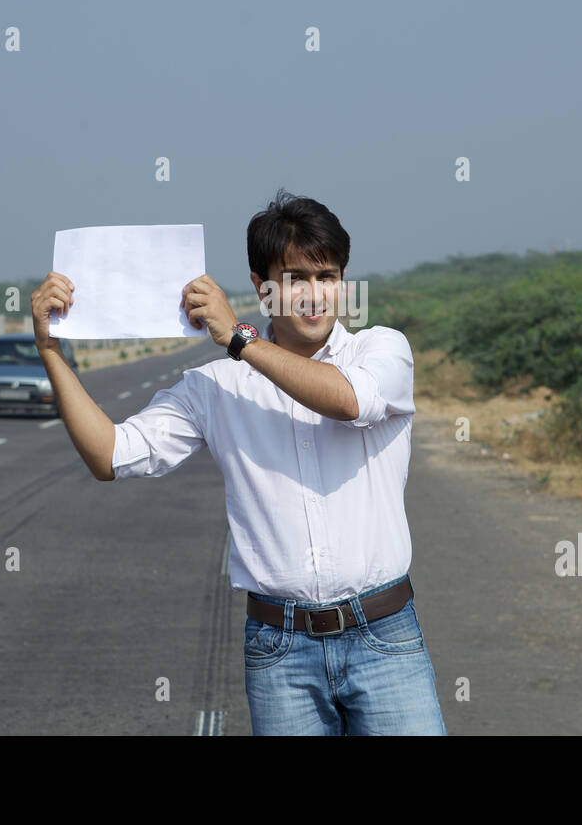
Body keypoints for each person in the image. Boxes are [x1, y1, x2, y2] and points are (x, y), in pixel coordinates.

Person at [30, 189, 446, 735]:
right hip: (280, 649)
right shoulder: (215, 386)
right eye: (297, 278)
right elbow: (110, 455)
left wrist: (239, 338)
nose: (315, 296)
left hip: (385, 635)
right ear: (261, 285)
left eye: (328, 277)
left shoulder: (381, 350)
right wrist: (50, 350)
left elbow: (347, 401)